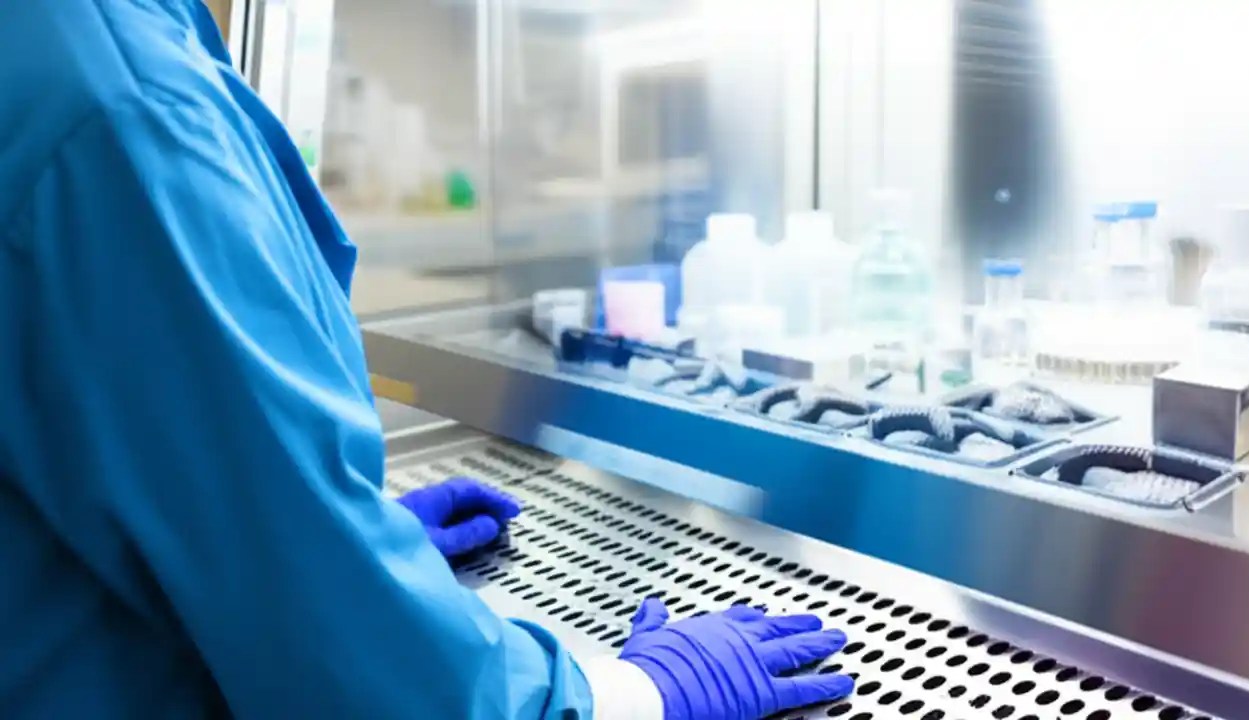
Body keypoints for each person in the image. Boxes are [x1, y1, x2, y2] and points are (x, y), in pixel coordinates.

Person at [0, 2, 854, 718]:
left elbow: (146, 442)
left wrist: (348, 541)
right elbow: (362, 671)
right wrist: (633, 694)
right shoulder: (122, 102)